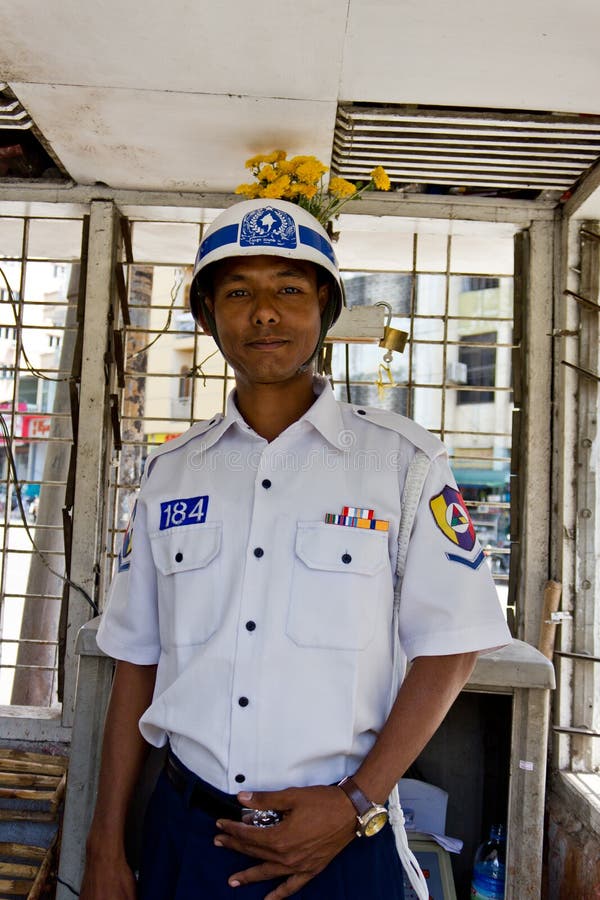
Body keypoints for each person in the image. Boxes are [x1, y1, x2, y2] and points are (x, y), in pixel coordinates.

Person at [80, 198, 512, 900]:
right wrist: (104, 841)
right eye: (239, 292)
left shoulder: (401, 463)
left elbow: (452, 646)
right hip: (188, 837)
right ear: (206, 315)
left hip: (343, 839)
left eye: (288, 289)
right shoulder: (172, 474)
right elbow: (135, 659)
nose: (265, 313)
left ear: (325, 308)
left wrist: (357, 803)